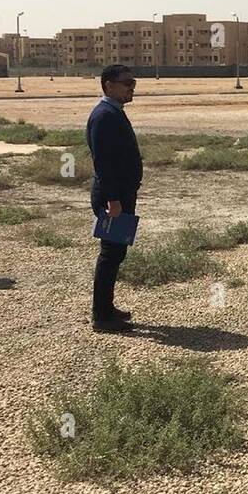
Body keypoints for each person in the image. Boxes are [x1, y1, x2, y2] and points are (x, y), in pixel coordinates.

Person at [87, 64, 144, 332]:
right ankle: (101, 316)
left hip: (120, 194)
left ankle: (107, 308)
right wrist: (113, 199)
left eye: (133, 83)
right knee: (110, 254)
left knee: (117, 252)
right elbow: (103, 162)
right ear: (109, 85)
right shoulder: (104, 116)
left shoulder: (113, 112)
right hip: (113, 198)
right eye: (126, 83)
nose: (132, 88)